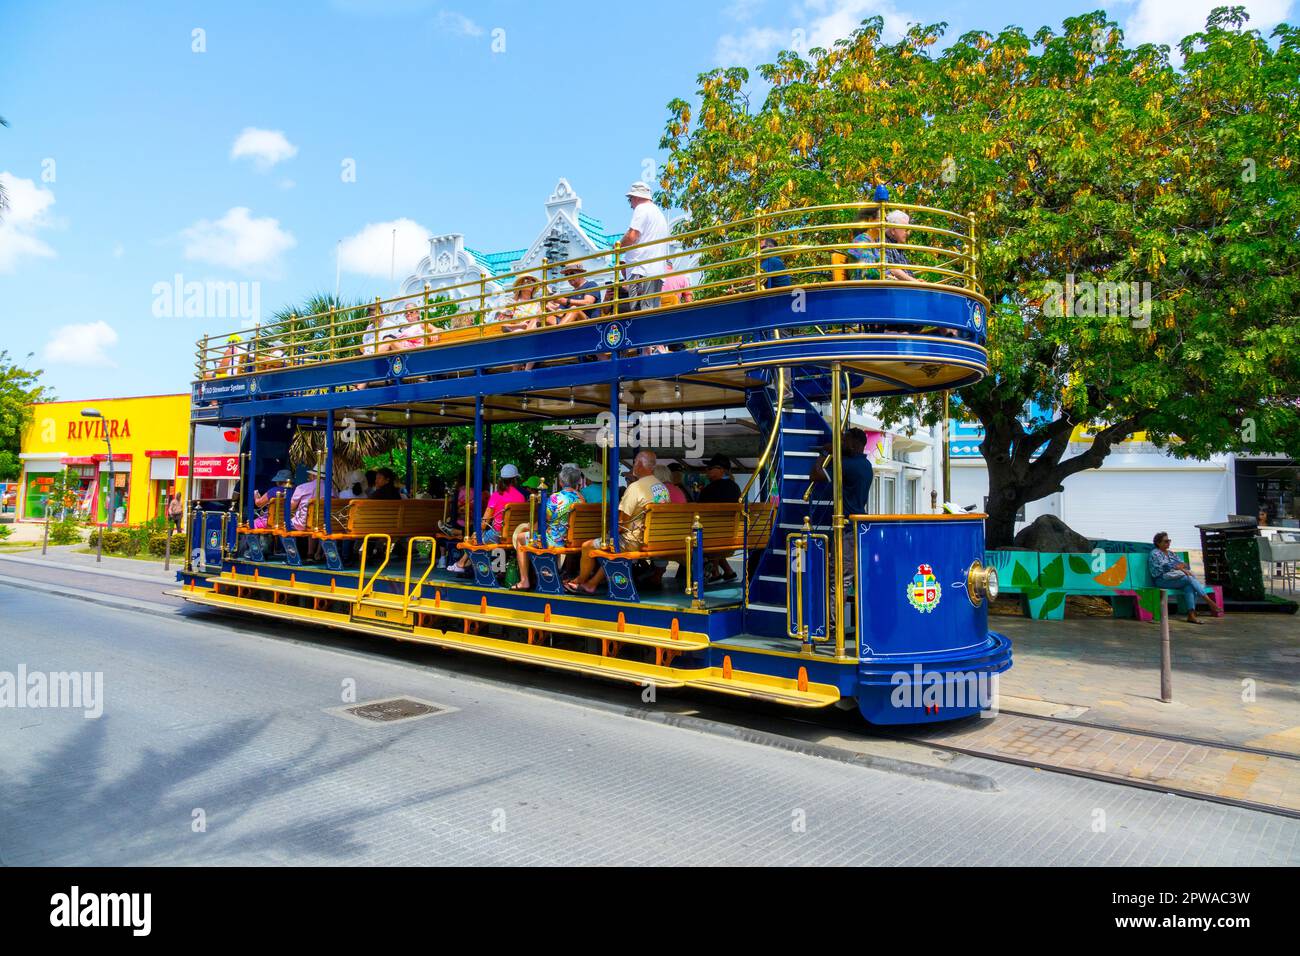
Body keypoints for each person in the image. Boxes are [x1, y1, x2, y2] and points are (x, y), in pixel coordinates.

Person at [566, 451, 669, 594]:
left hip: (633, 541)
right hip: (655, 540)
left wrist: (609, 533)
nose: (633, 466)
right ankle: (591, 583)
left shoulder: (636, 487)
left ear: (639, 464)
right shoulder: (662, 488)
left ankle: (580, 581)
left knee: (588, 546)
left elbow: (621, 523)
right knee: (612, 547)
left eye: (634, 463)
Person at [512, 464, 583, 590]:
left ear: (561, 482)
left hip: (554, 540)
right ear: (577, 482)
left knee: (520, 537)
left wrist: (530, 528)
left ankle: (524, 580)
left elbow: (543, 520)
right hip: (572, 540)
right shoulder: (581, 499)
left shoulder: (555, 498)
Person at [451, 464, 525, 571]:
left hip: (497, 535)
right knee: (477, 536)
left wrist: (478, 532)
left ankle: (461, 564)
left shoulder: (497, 495)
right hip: (514, 535)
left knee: (475, 537)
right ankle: (465, 564)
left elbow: (485, 520)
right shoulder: (521, 497)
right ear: (515, 479)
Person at [617, 182, 670, 312]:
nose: (631, 205)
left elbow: (632, 235)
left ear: (635, 197)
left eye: (630, 200)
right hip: (655, 271)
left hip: (641, 270)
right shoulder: (658, 213)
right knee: (651, 311)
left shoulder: (641, 209)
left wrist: (618, 247)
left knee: (639, 312)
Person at [1150, 532, 1221, 624]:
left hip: (1174, 578)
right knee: (1189, 579)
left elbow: (1185, 564)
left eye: (1169, 540)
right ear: (1158, 543)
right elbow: (1166, 567)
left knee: (1189, 586)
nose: (1169, 543)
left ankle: (1191, 615)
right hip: (1161, 580)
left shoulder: (1170, 553)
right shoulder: (1155, 553)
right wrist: (1179, 567)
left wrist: (1179, 566)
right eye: (1166, 541)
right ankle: (1209, 602)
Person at [849, 209, 916, 282]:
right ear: (870, 220)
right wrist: (892, 277)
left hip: (879, 286)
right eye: (883, 219)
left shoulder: (874, 244)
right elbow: (868, 272)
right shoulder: (861, 240)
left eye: (886, 220)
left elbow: (884, 270)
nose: (885, 224)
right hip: (866, 287)